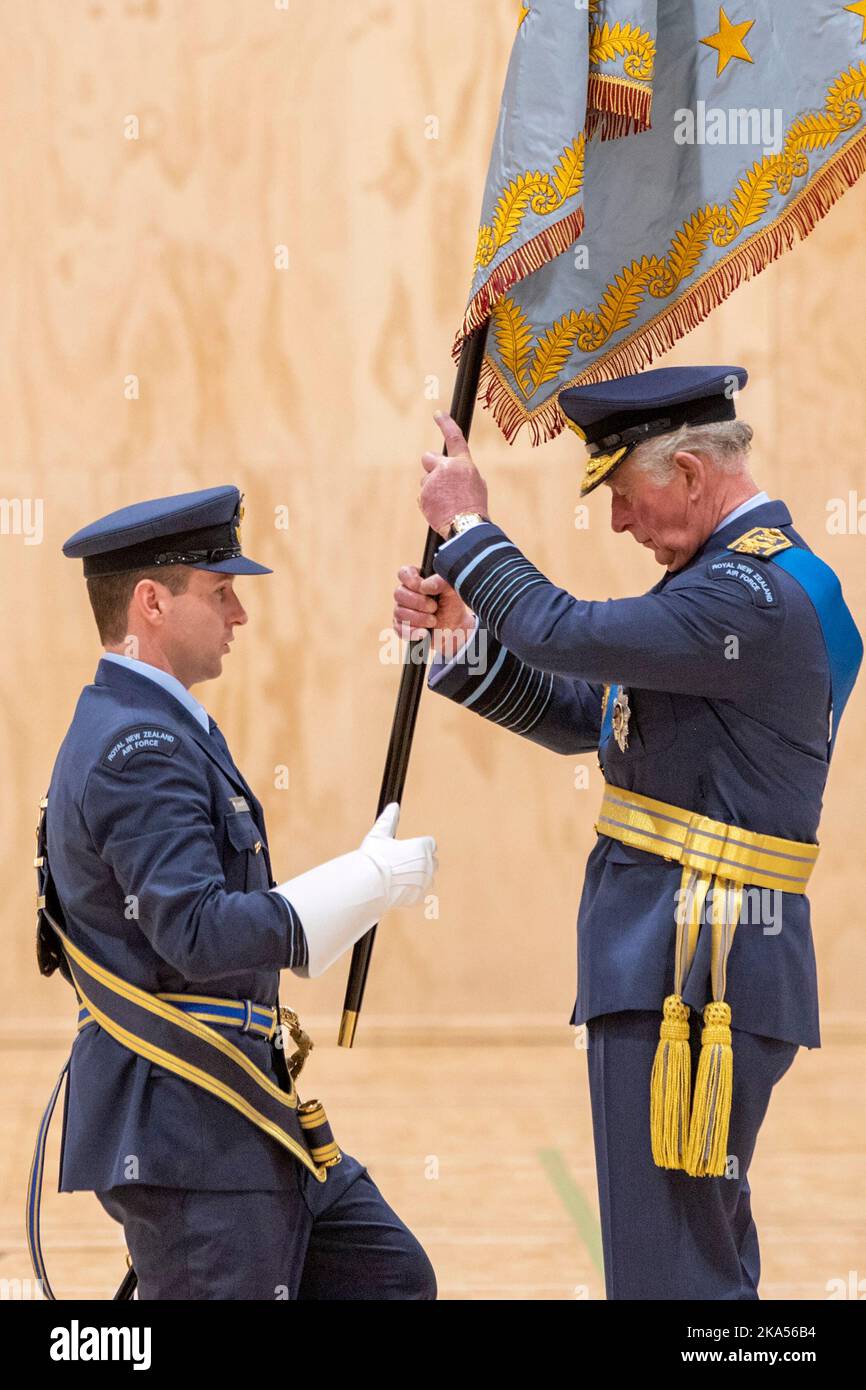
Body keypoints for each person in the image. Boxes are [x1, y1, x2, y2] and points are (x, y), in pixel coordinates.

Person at [393, 365, 862, 1300]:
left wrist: (471, 530)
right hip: (692, 955)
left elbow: (563, 630)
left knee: (670, 1281)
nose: (617, 521)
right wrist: (462, 640)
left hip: (691, 967)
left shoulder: (748, 597)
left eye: (622, 492)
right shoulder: (751, 585)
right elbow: (598, 714)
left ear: (690, 473)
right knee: (697, 1267)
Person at [32, 484, 438, 1301]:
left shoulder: (154, 725)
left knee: (387, 1277)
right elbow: (199, 934)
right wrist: (361, 884)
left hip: (231, 1105)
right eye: (220, 593)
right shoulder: (137, 745)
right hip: (186, 1116)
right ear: (152, 602)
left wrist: (355, 889)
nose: (240, 614)